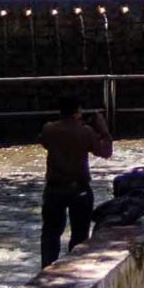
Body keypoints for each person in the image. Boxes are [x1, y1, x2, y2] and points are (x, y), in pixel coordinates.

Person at [38, 93, 112, 268]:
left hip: (54, 189)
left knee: (50, 234)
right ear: (78, 111)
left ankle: (47, 269)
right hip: (79, 189)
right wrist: (103, 130)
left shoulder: (49, 129)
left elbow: (45, 141)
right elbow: (106, 152)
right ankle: (74, 269)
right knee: (79, 235)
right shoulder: (85, 132)